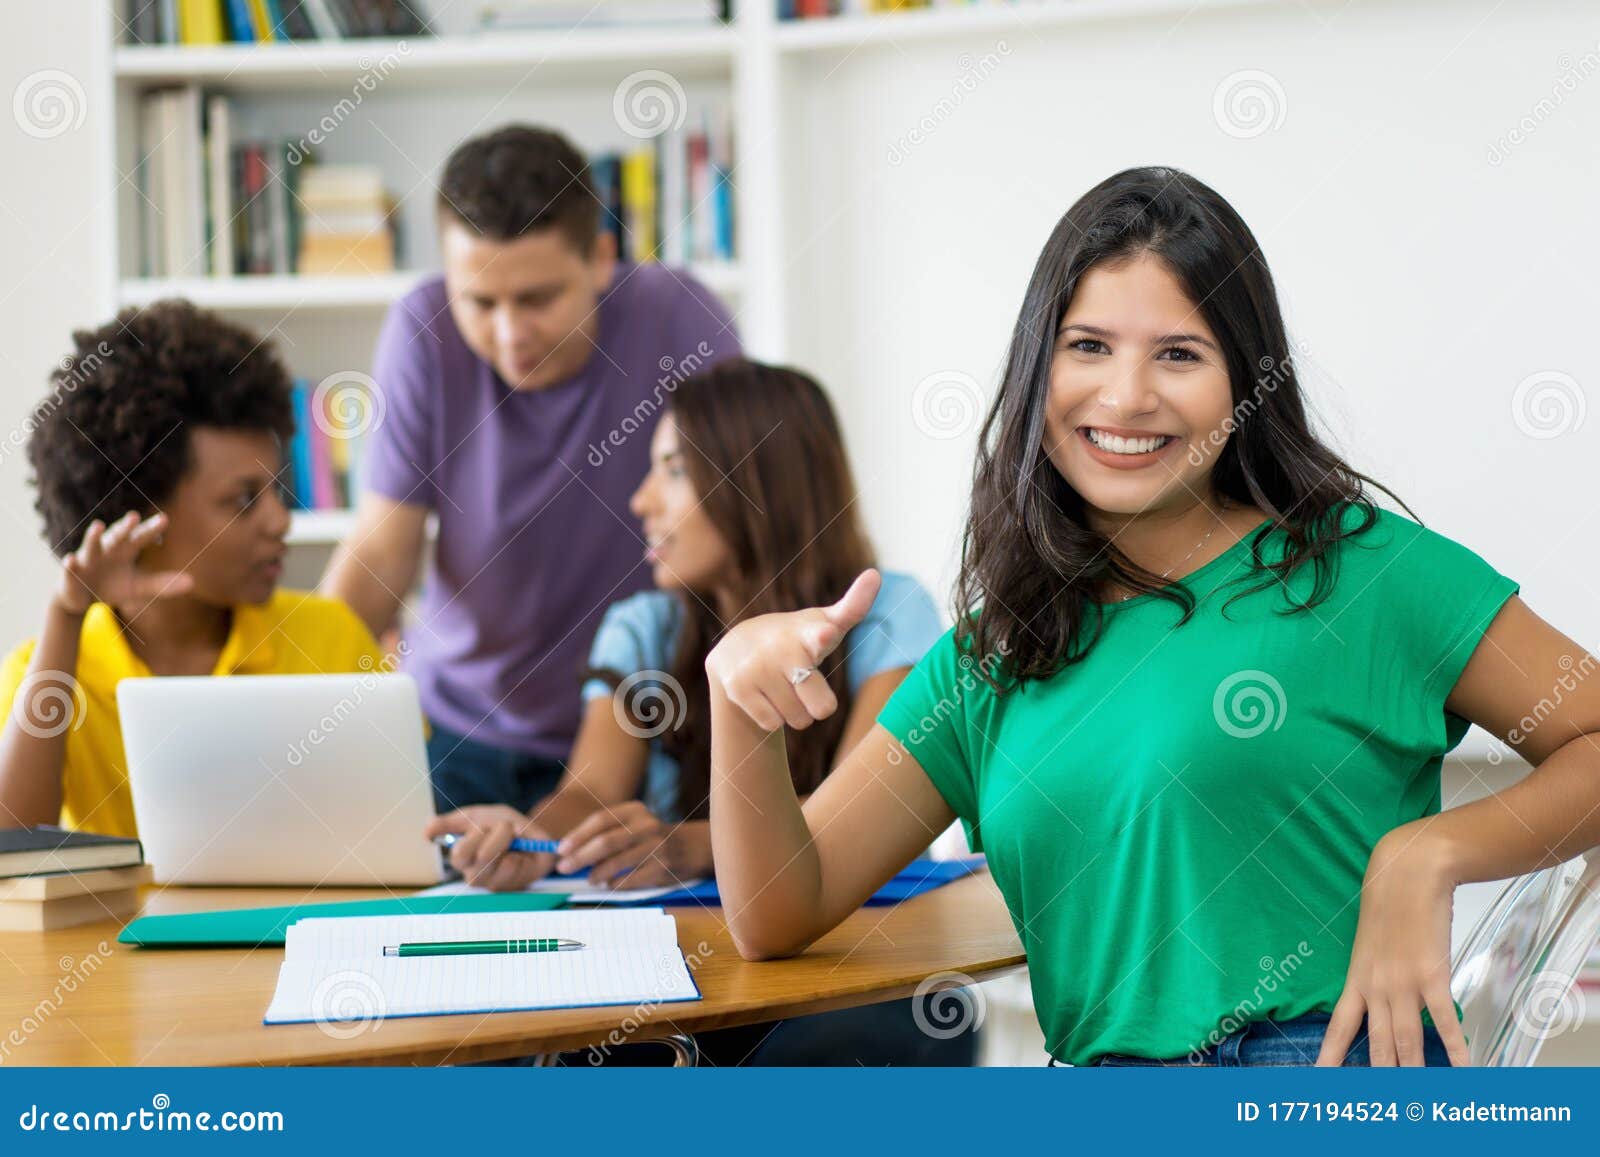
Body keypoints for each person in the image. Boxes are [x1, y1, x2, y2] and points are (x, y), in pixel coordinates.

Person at [699, 167, 1600, 1067]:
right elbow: (779, 909)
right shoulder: (999, 646)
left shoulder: (1367, 573)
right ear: (1036, 364)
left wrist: (1431, 850)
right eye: (1088, 345)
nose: (1126, 397)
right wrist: (739, 696)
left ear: (1247, 384)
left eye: (1179, 353)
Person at [427, 359, 975, 1065]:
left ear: (759, 485)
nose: (640, 498)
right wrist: (524, 839)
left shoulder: (886, 613)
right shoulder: (644, 629)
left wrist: (690, 844)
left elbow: (849, 817)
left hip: (844, 952)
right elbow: (590, 791)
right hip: (681, 956)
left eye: (673, 470)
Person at [320, 124, 741, 817]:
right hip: (453, 730)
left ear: (602, 259)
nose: (510, 333)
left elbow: (740, 520)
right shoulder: (421, 330)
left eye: (538, 298)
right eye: (480, 303)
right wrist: (299, 715)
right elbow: (380, 551)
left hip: (637, 717)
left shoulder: (678, 317)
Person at [0, 301, 385, 837]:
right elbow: (13, 840)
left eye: (277, 489)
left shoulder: (331, 640)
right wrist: (67, 613)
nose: (280, 521)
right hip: (119, 926)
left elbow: (397, 827)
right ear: (140, 517)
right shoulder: (49, 672)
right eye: (244, 500)